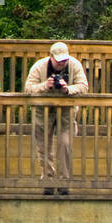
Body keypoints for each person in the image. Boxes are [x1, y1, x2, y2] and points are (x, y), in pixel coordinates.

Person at [25, 41, 89, 192]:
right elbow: (28, 88)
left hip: (66, 110)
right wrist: (44, 86)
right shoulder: (39, 66)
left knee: (65, 144)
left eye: (64, 60)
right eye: (58, 60)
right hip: (42, 110)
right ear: (50, 57)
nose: (62, 63)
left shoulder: (74, 65)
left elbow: (84, 86)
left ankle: (63, 181)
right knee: (43, 146)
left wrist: (68, 89)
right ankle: (47, 179)